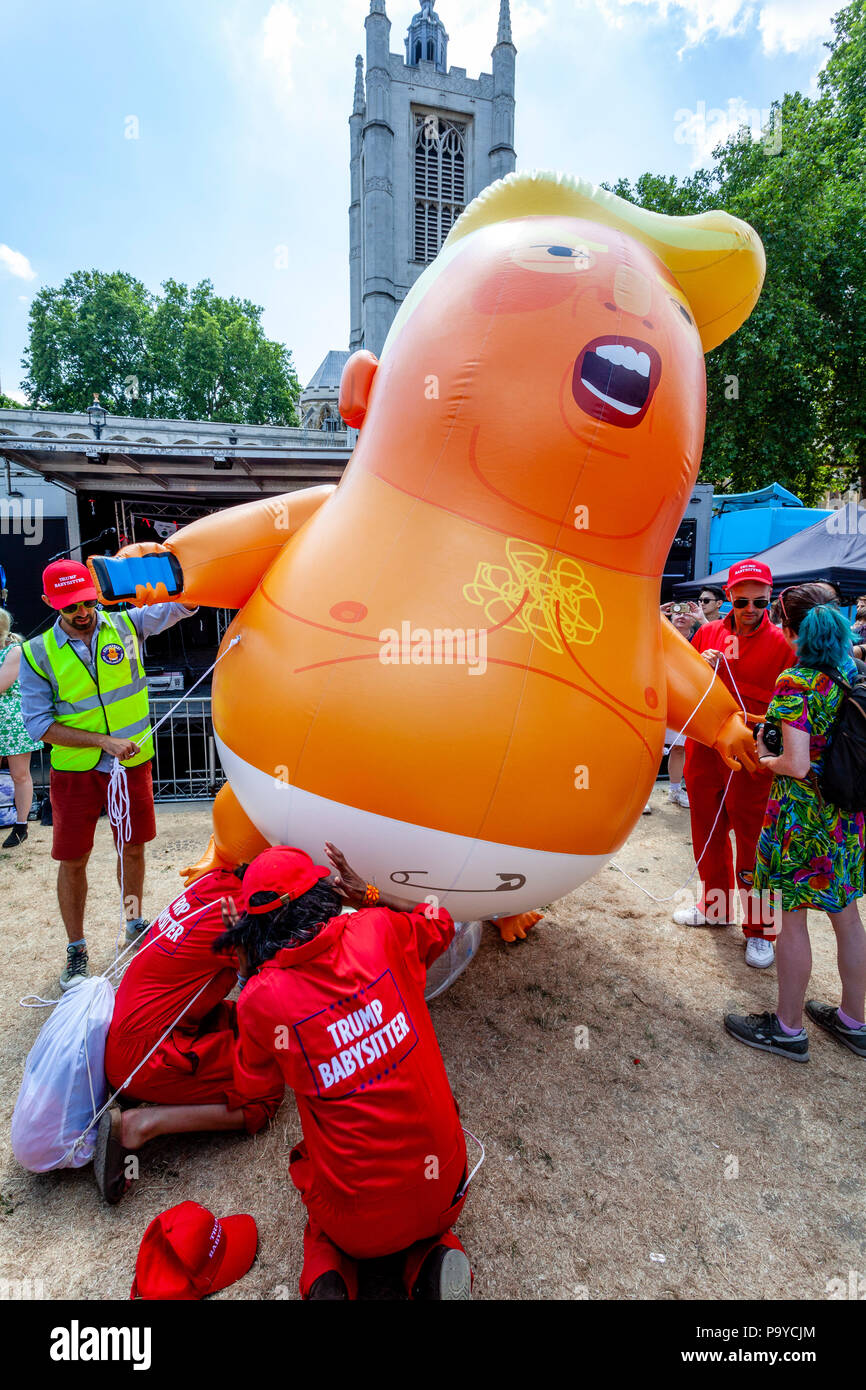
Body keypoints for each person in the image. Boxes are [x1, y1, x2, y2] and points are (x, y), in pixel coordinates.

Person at [220, 843, 473, 1301]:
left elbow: (251, 1090)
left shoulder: (262, 999)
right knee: (424, 1212)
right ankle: (432, 1260)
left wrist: (244, 979)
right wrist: (371, 895)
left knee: (309, 1169)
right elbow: (441, 920)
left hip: (358, 1225)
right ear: (324, 892)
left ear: (252, 927)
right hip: (447, 1186)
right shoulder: (377, 929)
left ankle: (327, 1275)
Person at [19, 560, 198, 990]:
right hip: (76, 773)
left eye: (86, 601)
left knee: (133, 849)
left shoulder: (128, 625)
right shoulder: (35, 653)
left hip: (132, 765)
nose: (81, 613)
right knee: (73, 860)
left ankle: (134, 921)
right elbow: (39, 725)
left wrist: (175, 572)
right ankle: (77, 948)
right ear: (49, 603)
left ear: (96, 592)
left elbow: (186, 605)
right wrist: (103, 742)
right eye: (68, 608)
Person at [725, 584, 866, 1060]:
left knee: (792, 919)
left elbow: (797, 763)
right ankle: (853, 1020)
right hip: (846, 819)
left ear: (790, 629)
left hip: (801, 820)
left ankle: (787, 1029)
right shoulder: (852, 671)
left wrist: (766, 756)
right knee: (847, 918)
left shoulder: (797, 681)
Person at [94, 867, 284, 1204]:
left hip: (141, 1032)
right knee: (265, 1091)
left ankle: (152, 1093)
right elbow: (266, 983)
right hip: (146, 1054)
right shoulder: (240, 913)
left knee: (253, 1029)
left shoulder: (216, 882)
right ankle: (140, 1125)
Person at [672, 559, 794, 968]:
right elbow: (682, 687)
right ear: (729, 597)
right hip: (705, 754)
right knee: (706, 834)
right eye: (742, 601)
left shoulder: (782, 645)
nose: (751, 609)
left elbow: (791, 710)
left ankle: (760, 930)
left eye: (760, 601)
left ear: (770, 599)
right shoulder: (708, 632)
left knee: (755, 845)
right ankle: (716, 907)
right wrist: (699, 666)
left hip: (752, 763)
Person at [0, 608, 43, 849]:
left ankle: (21, 825)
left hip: (12, 723)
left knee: (19, 775)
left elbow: (1, 684)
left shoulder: (14, 651)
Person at [660, 602, 702, 808]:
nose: (681, 615)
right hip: (657, 699)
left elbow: (722, 641)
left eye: (686, 612)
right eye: (676, 611)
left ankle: (675, 791)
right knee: (650, 751)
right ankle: (640, 798)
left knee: (679, 748)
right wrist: (656, 614)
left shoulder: (700, 639)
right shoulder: (657, 636)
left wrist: (702, 617)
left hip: (686, 701)